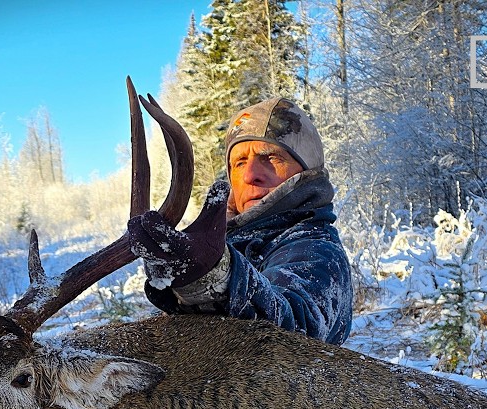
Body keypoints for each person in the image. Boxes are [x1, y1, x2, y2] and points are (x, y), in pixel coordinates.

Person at [126, 97, 353, 345]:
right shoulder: (227, 244)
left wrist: (215, 277)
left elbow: (294, 326)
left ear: (307, 172)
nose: (250, 175)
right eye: (240, 162)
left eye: (271, 157)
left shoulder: (317, 250)